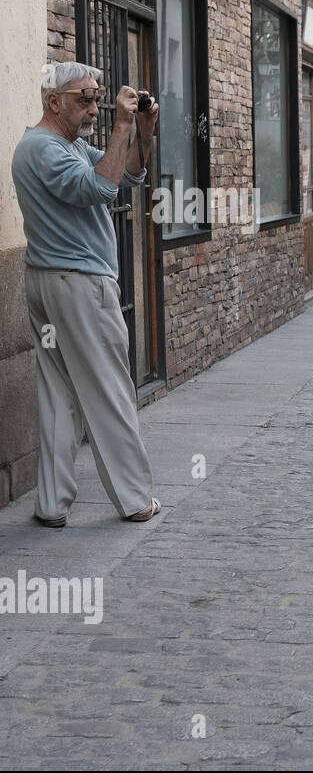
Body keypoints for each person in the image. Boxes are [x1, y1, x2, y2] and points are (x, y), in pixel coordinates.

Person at [13, 62, 161, 527]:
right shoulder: (40, 148)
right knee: (109, 390)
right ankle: (135, 499)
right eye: (85, 99)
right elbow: (99, 186)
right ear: (54, 102)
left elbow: (128, 176)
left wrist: (142, 130)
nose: (94, 107)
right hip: (77, 286)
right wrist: (121, 124)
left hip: (55, 282)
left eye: (98, 98)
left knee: (59, 394)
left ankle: (52, 506)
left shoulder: (68, 144)